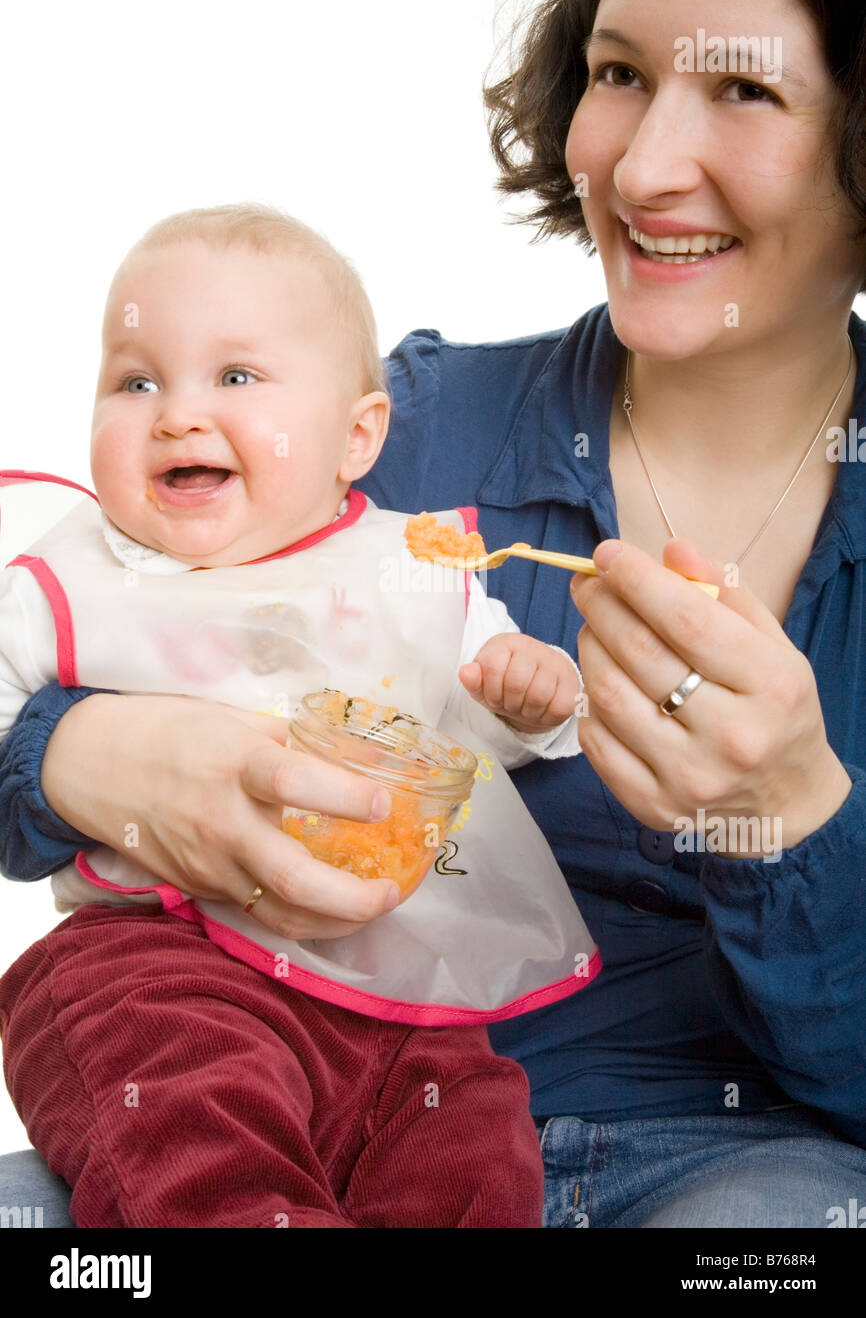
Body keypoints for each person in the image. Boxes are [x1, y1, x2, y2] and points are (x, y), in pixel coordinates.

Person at [3, 0, 866, 1228]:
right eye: (618, 72)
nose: (637, 166)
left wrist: (793, 823)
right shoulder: (371, 438)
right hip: (308, 1116)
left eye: (742, 89)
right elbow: (99, 620)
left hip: (736, 1176)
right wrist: (79, 752)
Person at [0, 203, 593, 1228]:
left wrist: (524, 697)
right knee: (197, 1137)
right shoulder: (73, 574)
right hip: (160, 967)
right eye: (136, 381)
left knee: (478, 1143)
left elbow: (469, 726)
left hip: (393, 992)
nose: (178, 414)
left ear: (357, 435)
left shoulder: (408, 569)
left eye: (234, 378)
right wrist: (57, 753)